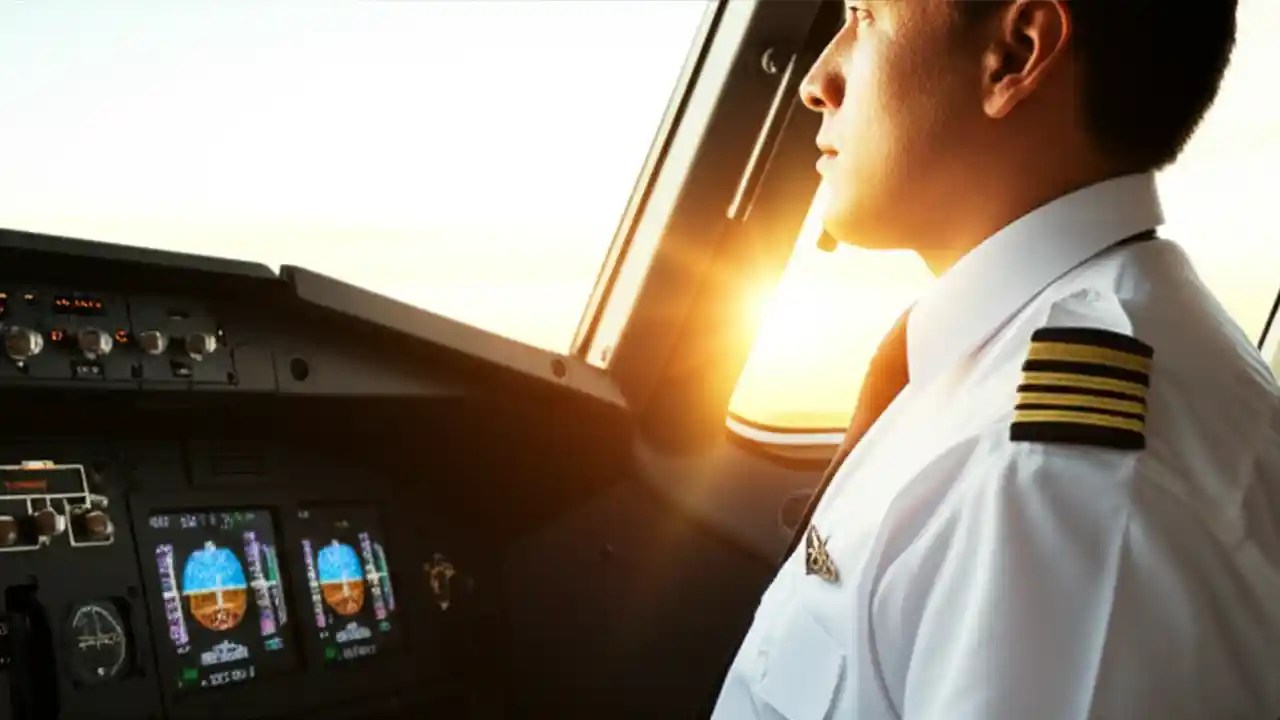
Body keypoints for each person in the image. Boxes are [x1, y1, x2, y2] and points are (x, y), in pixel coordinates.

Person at [711, 1, 1280, 718]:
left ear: (1015, 54)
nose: (818, 80)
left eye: (863, 16)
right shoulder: (998, 370)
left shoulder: (1063, 491)